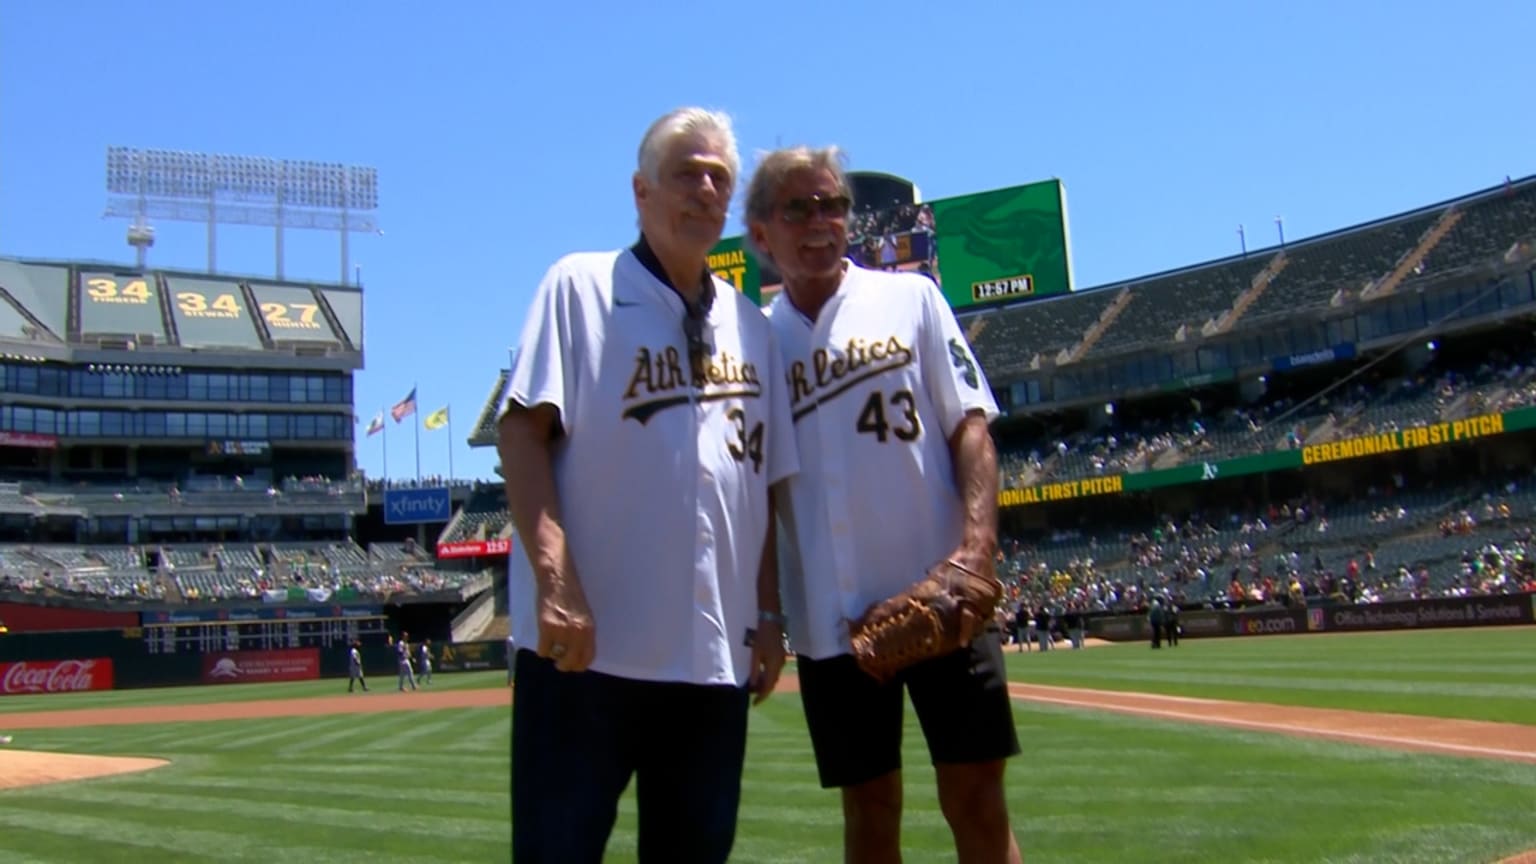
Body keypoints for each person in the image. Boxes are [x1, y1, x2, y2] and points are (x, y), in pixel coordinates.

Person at [498, 106, 798, 864]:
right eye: (685, 174)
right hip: (584, 655)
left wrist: (768, 610)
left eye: (718, 178)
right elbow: (522, 431)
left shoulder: (752, 326)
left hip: (708, 660)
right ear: (640, 191)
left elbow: (756, 480)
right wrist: (556, 585)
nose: (704, 190)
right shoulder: (580, 286)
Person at [746, 145, 1022, 864]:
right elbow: (759, 496)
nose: (819, 221)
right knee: (868, 817)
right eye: (797, 207)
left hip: (943, 599)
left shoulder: (912, 298)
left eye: (832, 204)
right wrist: (770, 616)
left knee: (978, 802)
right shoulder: (751, 345)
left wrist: (975, 550)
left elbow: (970, 426)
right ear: (758, 233)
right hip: (830, 627)